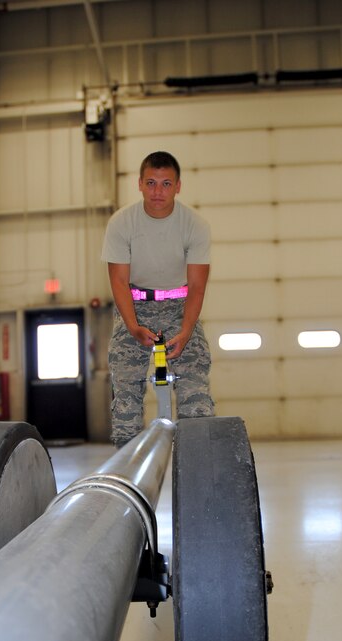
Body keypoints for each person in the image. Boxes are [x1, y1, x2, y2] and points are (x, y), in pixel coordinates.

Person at [101, 150, 215, 447]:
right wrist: (132, 326)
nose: (157, 192)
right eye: (151, 183)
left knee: (196, 396)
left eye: (166, 184)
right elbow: (119, 282)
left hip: (180, 307)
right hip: (134, 306)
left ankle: (198, 460)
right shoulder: (121, 223)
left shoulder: (195, 225)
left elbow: (197, 286)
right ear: (139, 184)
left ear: (178, 186)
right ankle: (128, 464)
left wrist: (187, 330)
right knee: (125, 394)